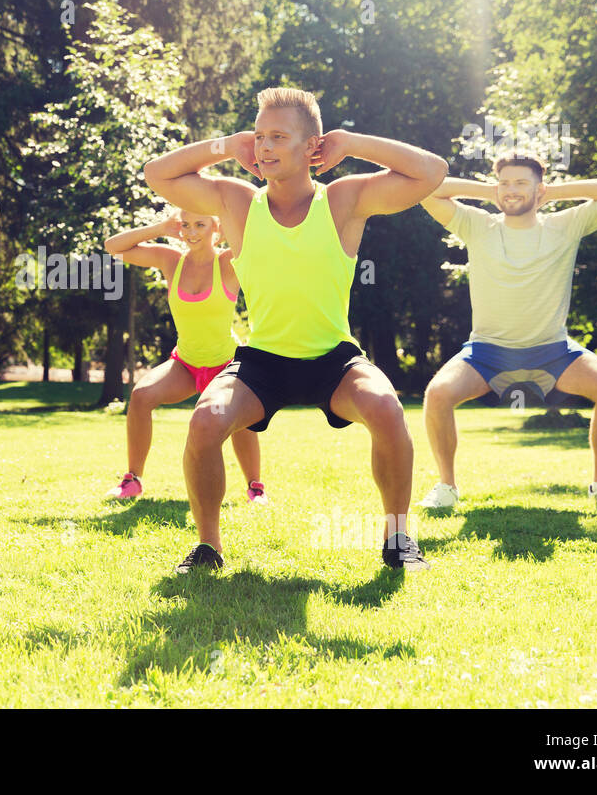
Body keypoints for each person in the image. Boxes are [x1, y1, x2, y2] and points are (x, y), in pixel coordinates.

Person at [144, 87, 447, 574]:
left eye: (278, 137)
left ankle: (398, 539)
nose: (264, 147)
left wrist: (351, 142)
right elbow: (157, 174)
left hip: (333, 358)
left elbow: (432, 172)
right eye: (260, 136)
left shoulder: (344, 201)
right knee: (204, 421)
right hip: (263, 361)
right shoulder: (236, 202)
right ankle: (207, 547)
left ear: (313, 147)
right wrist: (229, 143)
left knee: (387, 407)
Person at [417, 153, 597, 509]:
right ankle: (446, 487)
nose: (511, 190)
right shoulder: (478, 225)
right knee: (439, 394)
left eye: (521, 183)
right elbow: (428, 189)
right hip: (487, 351)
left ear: (539, 188)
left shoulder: (565, 225)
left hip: (552, 350)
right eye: (505, 182)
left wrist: (552, 193)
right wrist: (490, 192)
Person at [102, 210, 264, 504]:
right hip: (186, 363)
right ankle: (132, 480)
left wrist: (229, 222)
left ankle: (255, 488)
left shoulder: (228, 262)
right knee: (141, 396)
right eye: (186, 224)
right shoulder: (170, 260)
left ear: (216, 226)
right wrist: (161, 227)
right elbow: (113, 247)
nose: (191, 232)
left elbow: (263, 241)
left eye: (200, 224)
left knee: (240, 417)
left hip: (227, 363)